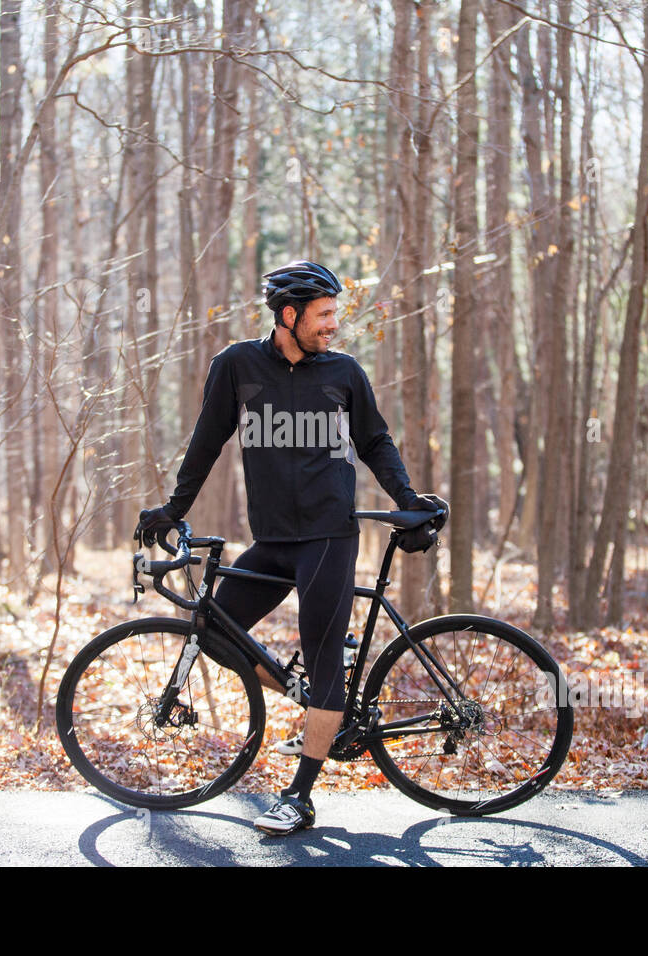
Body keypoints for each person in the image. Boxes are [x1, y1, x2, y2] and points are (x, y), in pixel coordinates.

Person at [135, 260, 445, 835]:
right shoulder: (237, 367)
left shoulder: (344, 373)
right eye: (323, 315)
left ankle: (300, 794)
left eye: (335, 313)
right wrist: (174, 509)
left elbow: (375, 441)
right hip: (273, 538)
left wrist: (408, 498)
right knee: (218, 631)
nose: (333, 325)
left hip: (329, 536)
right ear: (288, 315)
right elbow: (207, 442)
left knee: (322, 660)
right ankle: (317, 701)